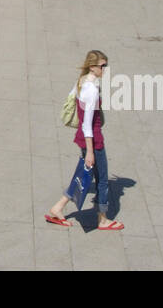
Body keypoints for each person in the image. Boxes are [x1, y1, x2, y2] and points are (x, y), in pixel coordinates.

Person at [45, 50, 123, 231]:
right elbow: (88, 124)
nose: (104, 69)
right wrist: (90, 152)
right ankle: (103, 220)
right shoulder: (92, 90)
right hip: (93, 141)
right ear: (92, 66)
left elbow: (72, 99)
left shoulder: (82, 81)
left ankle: (58, 207)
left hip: (83, 137)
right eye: (102, 66)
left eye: (106, 66)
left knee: (83, 174)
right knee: (102, 179)